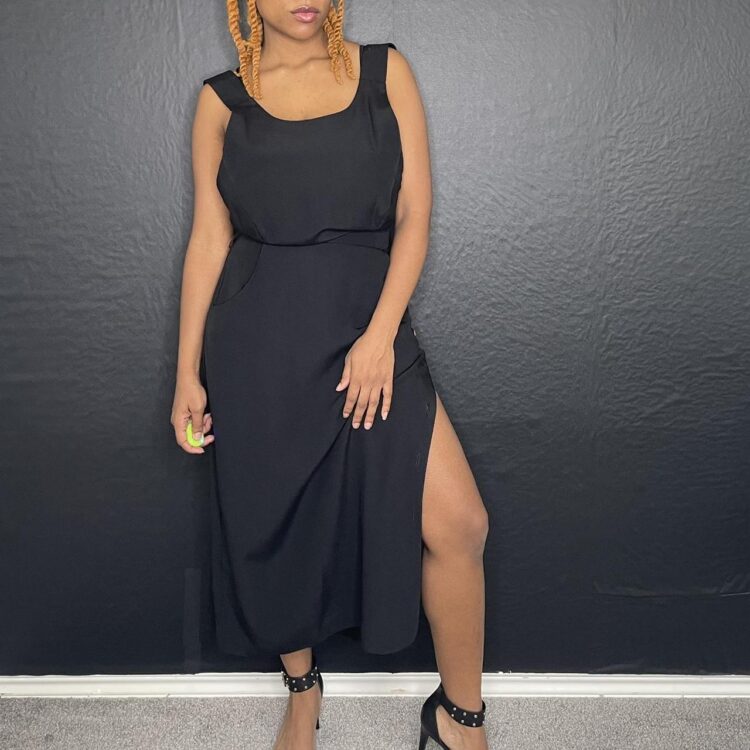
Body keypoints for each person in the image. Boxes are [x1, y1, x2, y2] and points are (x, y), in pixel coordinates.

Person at [171, 2, 490, 748]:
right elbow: (210, 235)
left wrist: (379, 337)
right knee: (275, 529)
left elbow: (415, 213)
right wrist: (186, 372)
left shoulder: (384, 72)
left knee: (460, 524)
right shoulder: (221, 102)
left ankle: (460, 719)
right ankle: (302, 693)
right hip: (259, 349)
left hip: (368, 334)